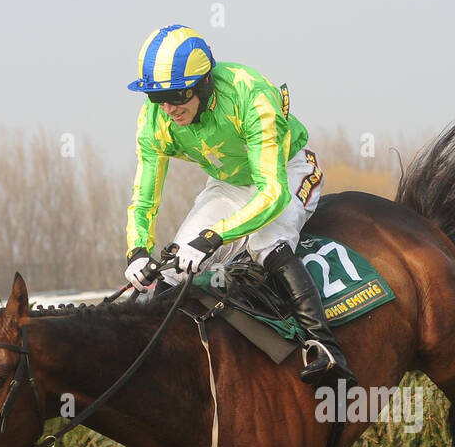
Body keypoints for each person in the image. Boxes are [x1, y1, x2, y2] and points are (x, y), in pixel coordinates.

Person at [123, 24, 356, 387]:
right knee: (175, 267)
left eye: (176, 96)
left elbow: (271, 193)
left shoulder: (251, 95)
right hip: (228, 183)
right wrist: (137, 249)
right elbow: (145, 195)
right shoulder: (154, 120)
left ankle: (324, 347)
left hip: (287, 171)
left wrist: (216, 236)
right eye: (157, 98)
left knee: (265, 242)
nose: (167, 108)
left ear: (202, 84)